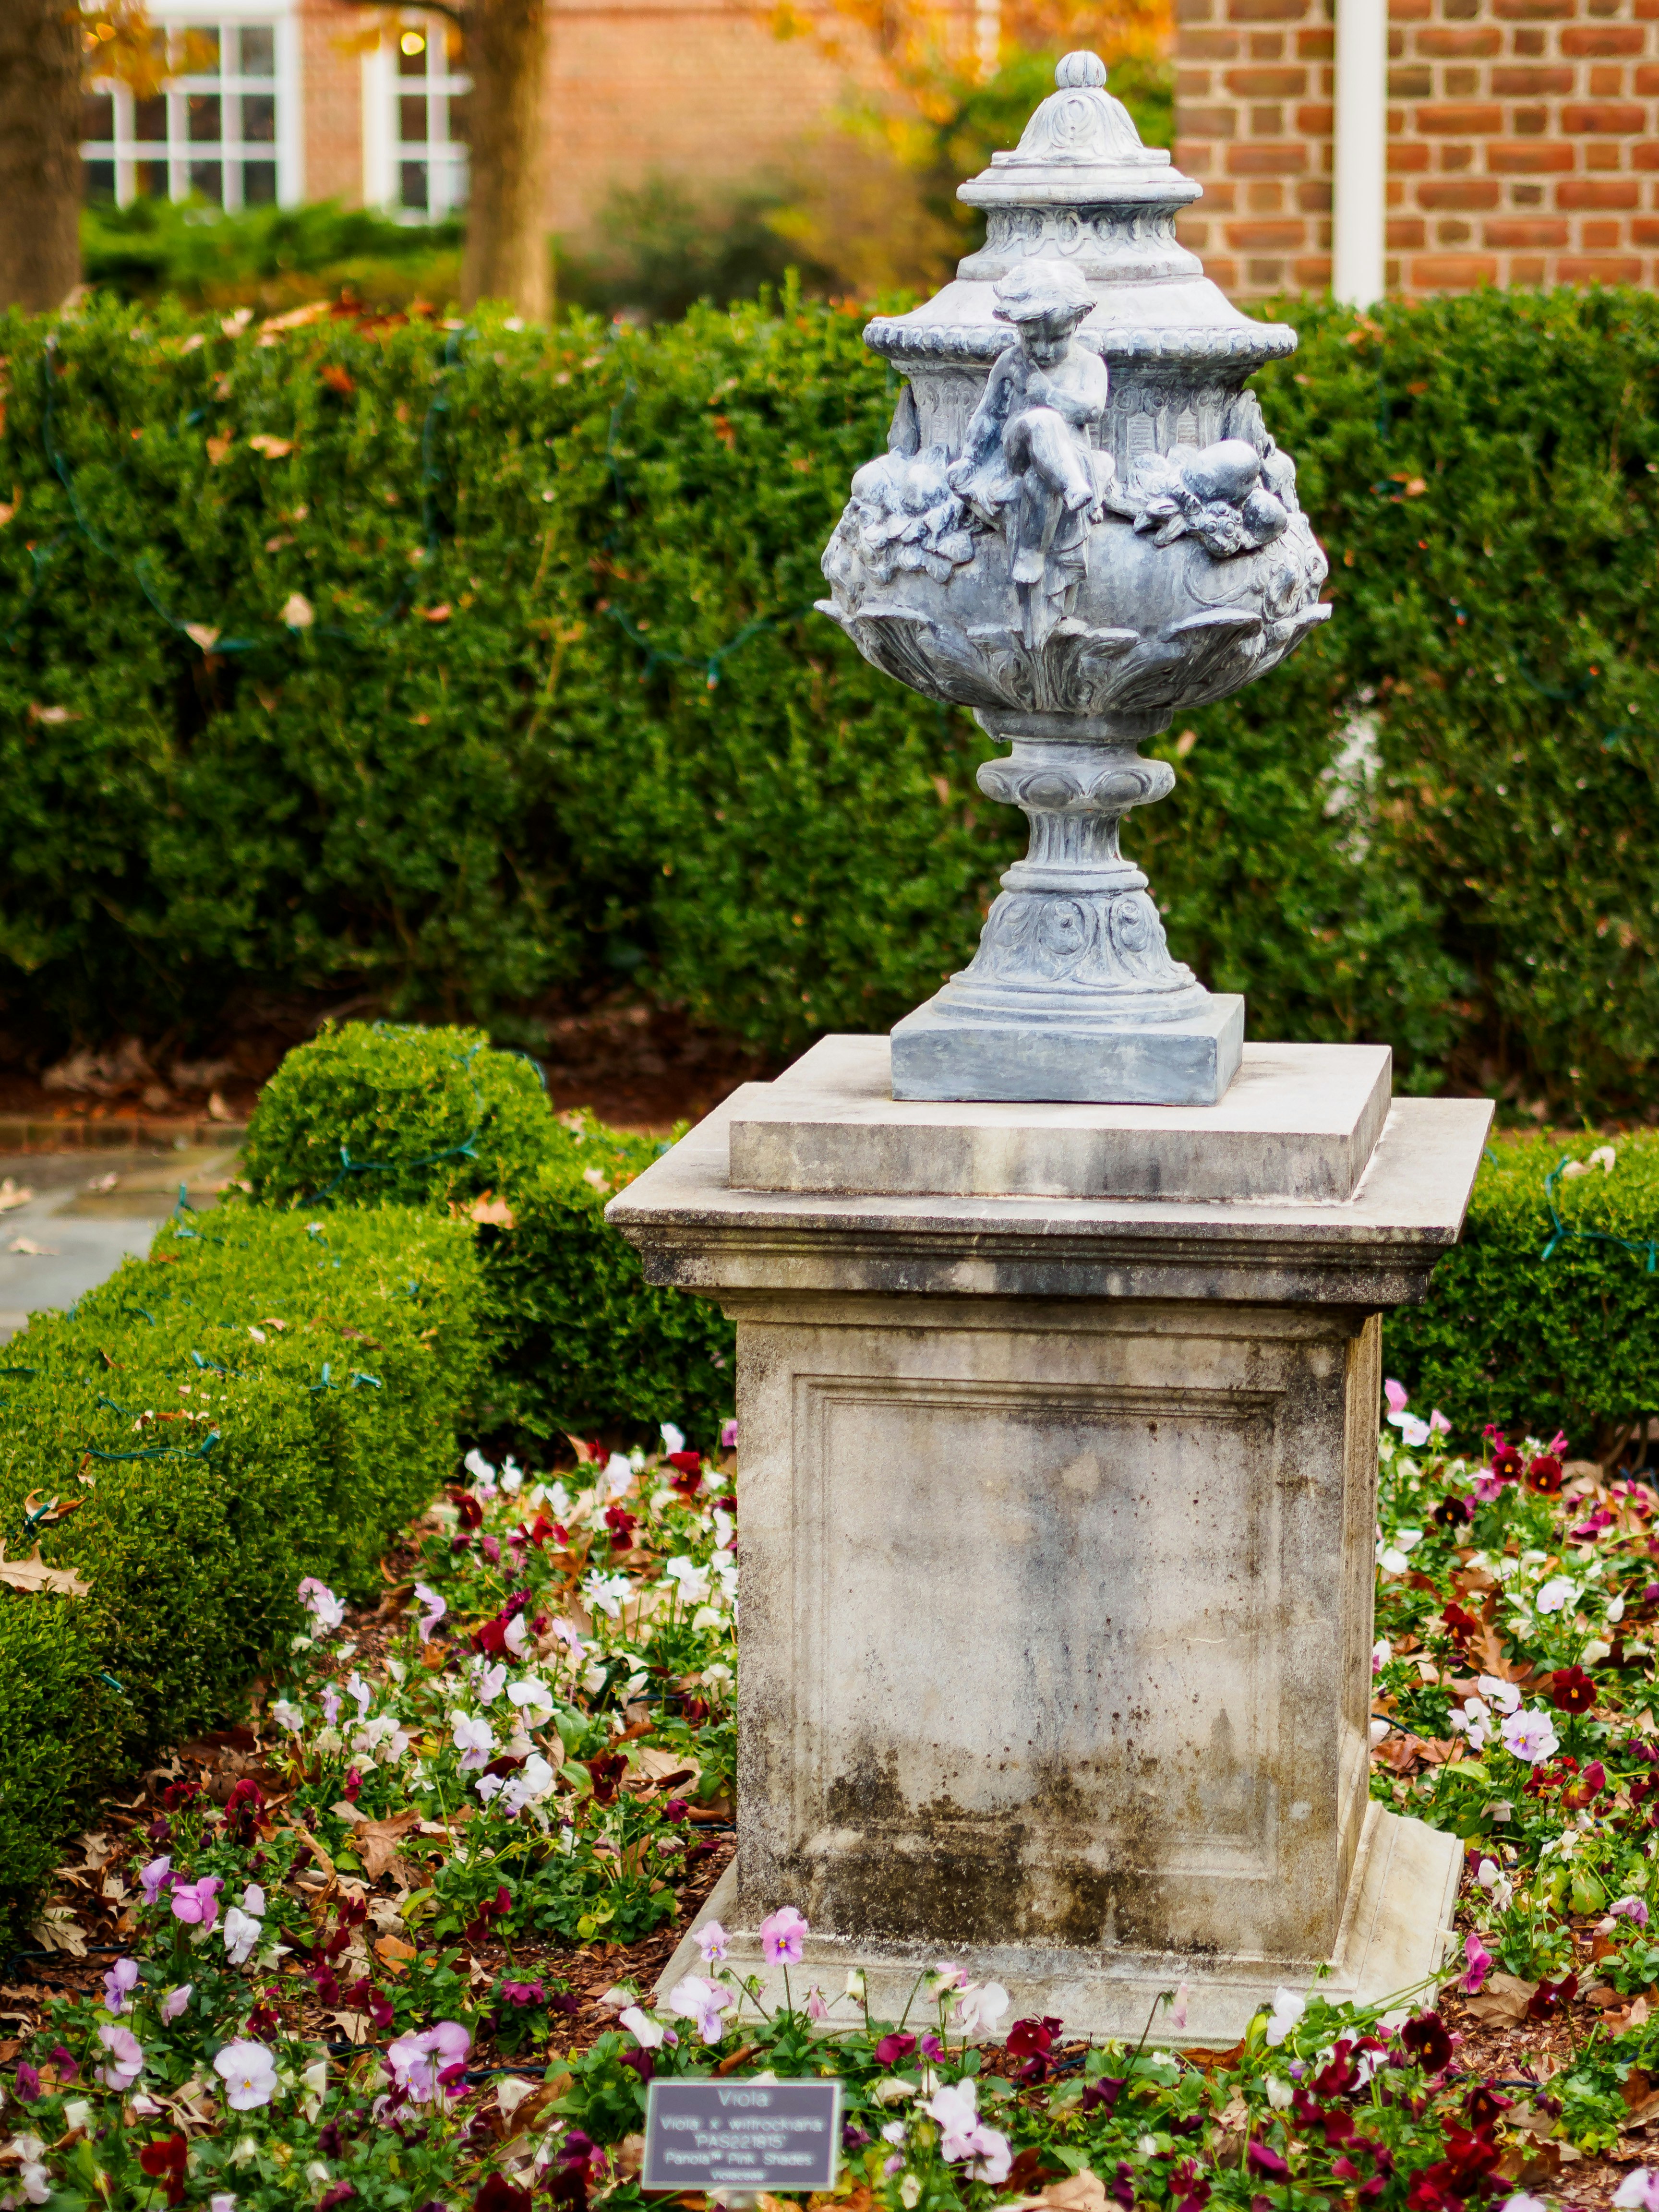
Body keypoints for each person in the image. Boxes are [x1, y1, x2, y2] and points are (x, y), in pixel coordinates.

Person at [949, 259, 1111, 646]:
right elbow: (987, 415)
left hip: (1069, 456)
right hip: (1019, 446)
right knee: (1042, 422)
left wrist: (1050, 394)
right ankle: (1074, 489)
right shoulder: (1011, 363)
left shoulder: (1089, 364)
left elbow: (1093, 409)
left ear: (1078, 322)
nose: (1044, 349)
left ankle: (1032, 552)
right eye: (1032, 339)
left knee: (1041, 481)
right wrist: (970, 461)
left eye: (1056, 338)